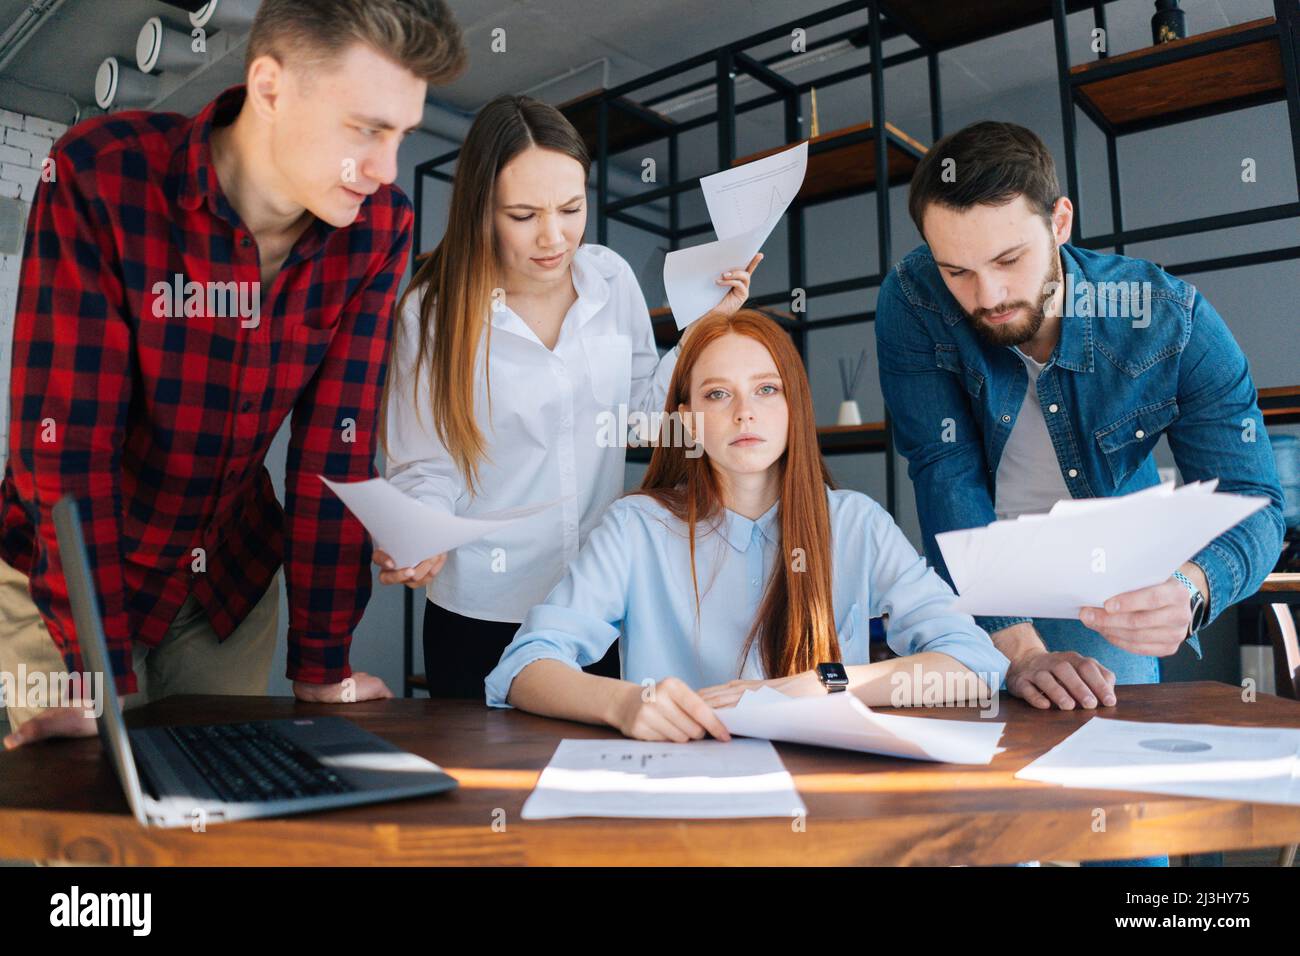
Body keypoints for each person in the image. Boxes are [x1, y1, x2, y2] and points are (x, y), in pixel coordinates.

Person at [0, 0, 467, 748]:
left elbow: (333, 455)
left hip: (227, 577)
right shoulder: (101, 175)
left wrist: (321, 662)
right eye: (366, 130)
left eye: (402, 136)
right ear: (270, 86)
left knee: (222, 819)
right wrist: (95, 673)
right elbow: (65, 448)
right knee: (93, 812)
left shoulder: (380, 227)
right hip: (70, 575)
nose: (385, 170)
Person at [875, 120, 1286, 867]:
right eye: (958, 271)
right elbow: (943, 471)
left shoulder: (1171, 321)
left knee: (1123, 831)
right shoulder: (914, 298)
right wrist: (1017, 647)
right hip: (974, 566)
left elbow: (1260, 501)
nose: (987, 296)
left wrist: (1193, 589)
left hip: (1107, 582)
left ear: (1059, 221)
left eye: (1008, 259)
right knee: (971, 826)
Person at [380, 94, 760, 698]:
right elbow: (423, 460)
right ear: (481, 209)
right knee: (488, 786)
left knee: (592, 781)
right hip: (481, 608)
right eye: (523, 215)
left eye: (571, 208)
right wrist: (422, 531)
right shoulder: (430, 314)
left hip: (595, 601)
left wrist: (702, 331)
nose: (553, 237)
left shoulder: (610, 279)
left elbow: (641, 420)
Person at [486, 309, 1008, 737]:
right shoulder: (635, 527)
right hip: (681, 794)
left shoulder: (856, 523)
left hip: (823, 796)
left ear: (794, 406)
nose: (744, 413)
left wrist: (821, 684)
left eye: (765, 389)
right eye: (717, 394)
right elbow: (522, 668)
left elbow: (975, 665)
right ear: (687, 420)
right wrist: (624, 704)